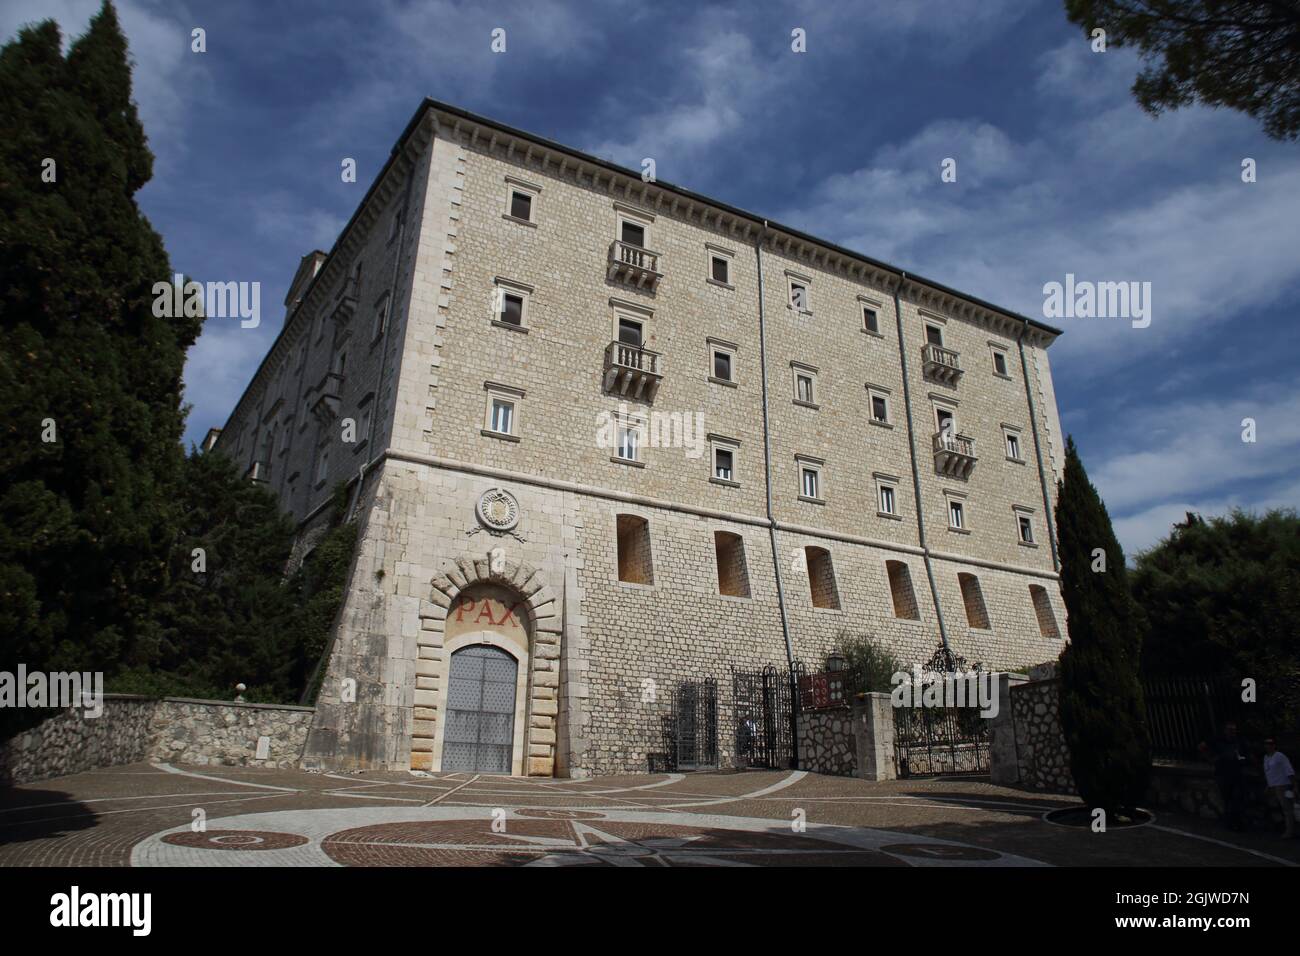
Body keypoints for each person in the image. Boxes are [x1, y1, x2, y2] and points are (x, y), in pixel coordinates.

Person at [1200, 721, 1247, 831]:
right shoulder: (1218, 740)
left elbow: (1246, 753)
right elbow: (1202, 746)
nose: (1232, 732)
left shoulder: (1239, 741)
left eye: (1234, 730)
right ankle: (1230, 823)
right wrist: (1210, 759)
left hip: (1237, 773)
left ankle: (1236, 822)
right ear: (1225, 731)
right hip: (1223, 774)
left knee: (1237, 799)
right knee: (1228, 799)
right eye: (1230, 730)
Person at [1263, 738, 1296, 839]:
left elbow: (1289, 770)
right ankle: (1280, 826)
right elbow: (1268, 772)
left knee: (1287, 809)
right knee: (1275, 807)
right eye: (1266, 744)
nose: (1268, 745)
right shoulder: (1266, 757)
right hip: (1272, 786)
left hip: (1282, 785)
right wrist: (1268, 786)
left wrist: (1294, 785)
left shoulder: (1280, 756)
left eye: (1270, 744)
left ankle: (1290, 831)